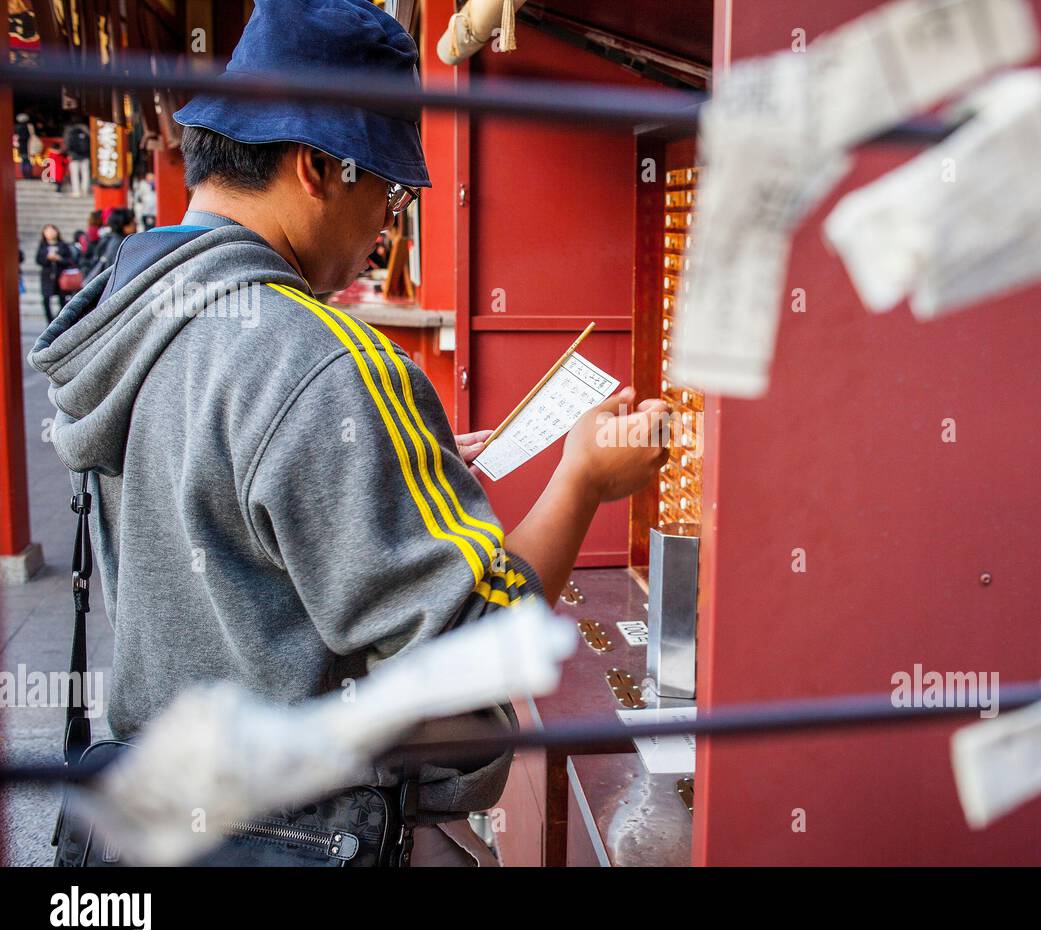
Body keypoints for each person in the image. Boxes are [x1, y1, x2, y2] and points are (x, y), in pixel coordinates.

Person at [28, 0, 667, 867]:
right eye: (390, 190)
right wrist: (582, 480)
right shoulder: (322, 362)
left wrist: (376, 474)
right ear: (319, 168)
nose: (385, 231)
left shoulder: (130, 317)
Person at [81, 206, 135, 283]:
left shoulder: (111, 239)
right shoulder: (120, 244)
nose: (135, 224)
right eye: (132, 222)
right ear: (124, 226)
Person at [34, 224, 75, 323]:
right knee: (46, 299)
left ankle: (59, 320)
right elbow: (38, 260)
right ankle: (49, 321)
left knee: (62, 300)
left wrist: (59, 259)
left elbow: (70, 260)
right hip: (47, 276)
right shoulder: (42, 246)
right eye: (48, 231)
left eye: (52, 230)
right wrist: (47, 258)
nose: (50, 233)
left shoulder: (63, 245)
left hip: (61, 276)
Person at [63, 120, 92, 197]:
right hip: (85, 156)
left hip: (74, 156)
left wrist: (69, 154)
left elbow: (69, 145)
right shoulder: (86, 133)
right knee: (85, 173)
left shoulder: (71, 133)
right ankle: (85, 190)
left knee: (74, 174)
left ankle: (76, 191)